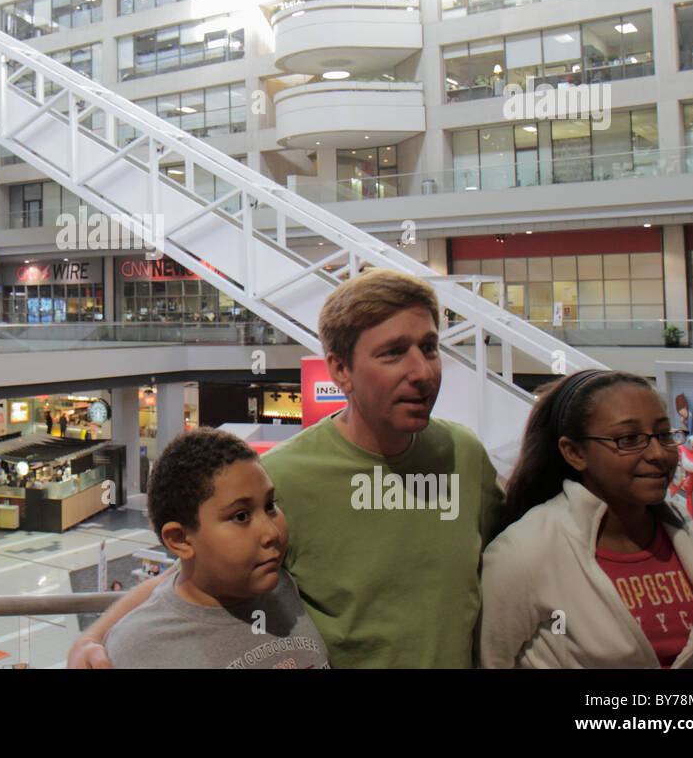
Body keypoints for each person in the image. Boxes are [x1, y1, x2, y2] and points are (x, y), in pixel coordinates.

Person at [69, 269, 505, 668]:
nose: (422, 371)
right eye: (393, 353)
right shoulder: (280, 481)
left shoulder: (463, 456)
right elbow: (188, 569)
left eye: (428, 348)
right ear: (340, 370)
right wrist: (93, 638)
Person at [480, 370, 693, 668]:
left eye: (663, 434)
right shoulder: (524, 553)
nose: (659, 453)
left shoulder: (682, 532)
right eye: (629, 438)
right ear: (575, 452)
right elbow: (490, 660)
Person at [103, 429, 327, 669]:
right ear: (180, 540)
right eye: (241, 516)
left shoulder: (286, 587)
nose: (272, 532)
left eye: (270, 505)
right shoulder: (137, 651)